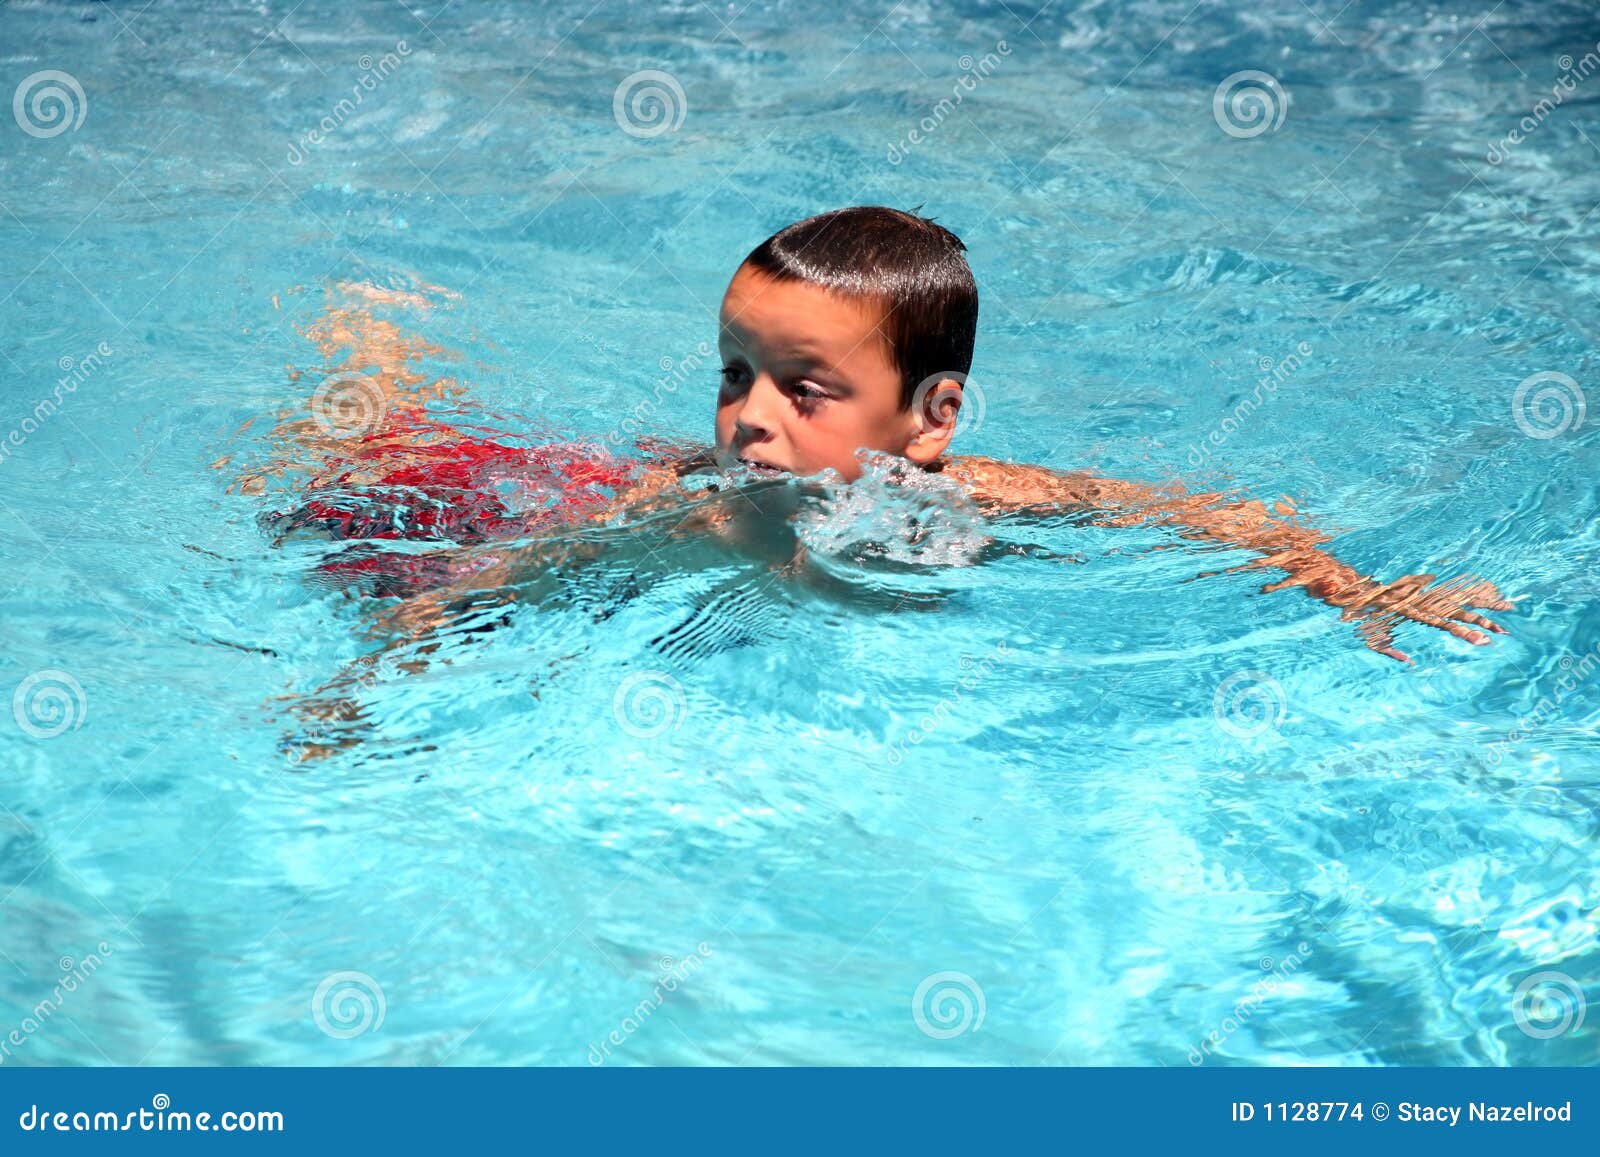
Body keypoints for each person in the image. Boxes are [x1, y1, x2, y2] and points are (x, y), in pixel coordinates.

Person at [250, 206, 1513, 681]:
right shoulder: (699, 502)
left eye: (804, 388)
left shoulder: (986, 492)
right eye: (733, 374)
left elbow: (1207, 515)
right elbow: (523, 576)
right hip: (562, 496)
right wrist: (393, 659)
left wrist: (1364, 590)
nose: (751, 415)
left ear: (932, 416)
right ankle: (373, 362)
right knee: (357, 495)